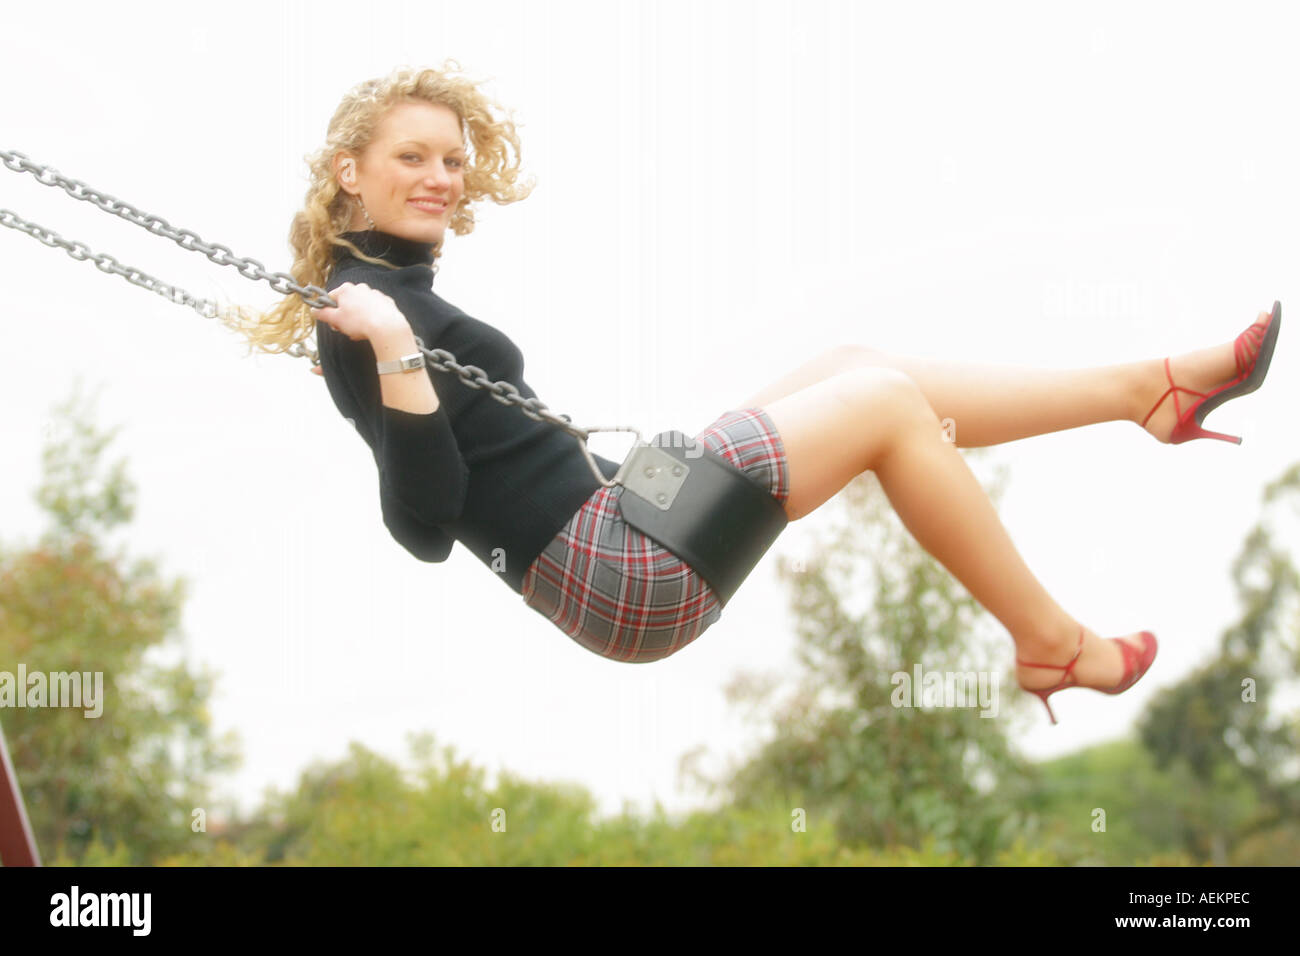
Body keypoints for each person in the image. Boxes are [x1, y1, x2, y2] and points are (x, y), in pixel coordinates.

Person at [244, 62, 1280, 722]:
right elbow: (423, 524)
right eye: (411, 156)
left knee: (856, 362)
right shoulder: (368, 317)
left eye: (452, 159)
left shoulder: (384, 302)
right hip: (613, 570)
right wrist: (397, 355)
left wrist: (409, 355)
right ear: (348, 170)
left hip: (620, 515)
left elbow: (501, 462)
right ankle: (1052, 644)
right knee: (882, 403)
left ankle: (1146, 392)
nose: (441, 176)